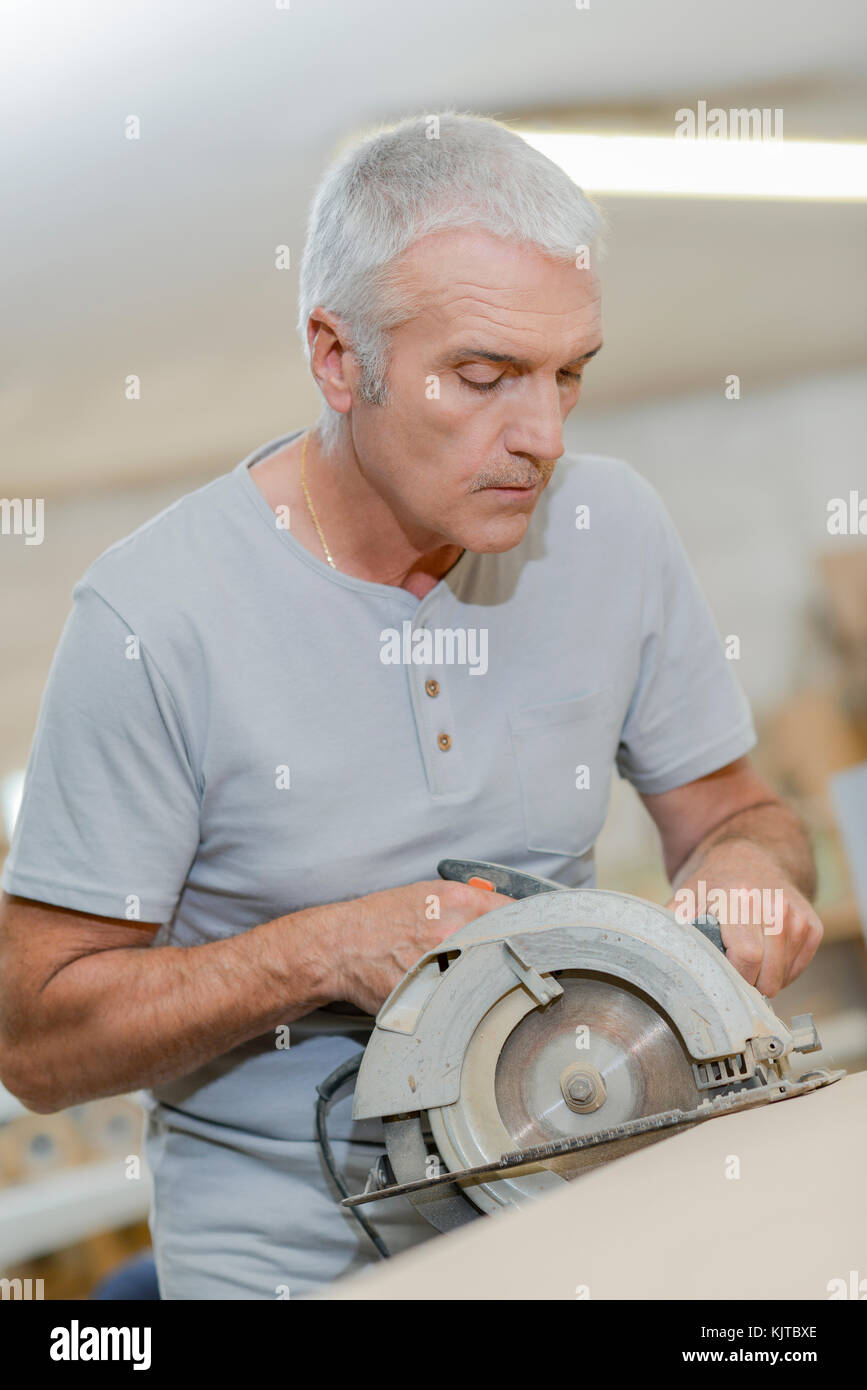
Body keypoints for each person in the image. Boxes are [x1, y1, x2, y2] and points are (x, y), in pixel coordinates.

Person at [0, 111, 822, 1298]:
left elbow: (739, 815)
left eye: (569, 376)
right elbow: (36, 1039)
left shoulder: (612, 529)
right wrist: (322, 951)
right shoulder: (151, 620)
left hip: (586, 1180)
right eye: (484, 377)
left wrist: (749, 869)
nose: (539, 436)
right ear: (339, 357)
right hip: (292, 1261)